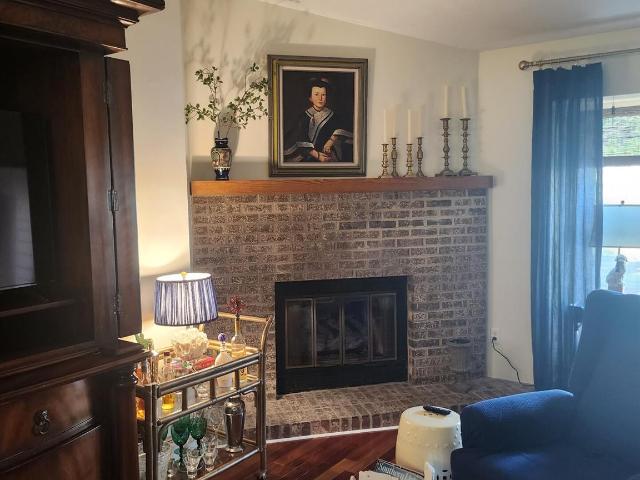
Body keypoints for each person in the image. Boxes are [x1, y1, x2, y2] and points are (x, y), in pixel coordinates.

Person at [283, 77, 353, 162]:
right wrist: (317, 155)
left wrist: (331, 140)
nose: (320, 98)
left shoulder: (333, 116)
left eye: (323, 95)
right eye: (316, 94)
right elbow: (301, 138)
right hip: (309, 156)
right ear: (310, 98)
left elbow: (342, 130)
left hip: (328, 154)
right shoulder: (303, 117)